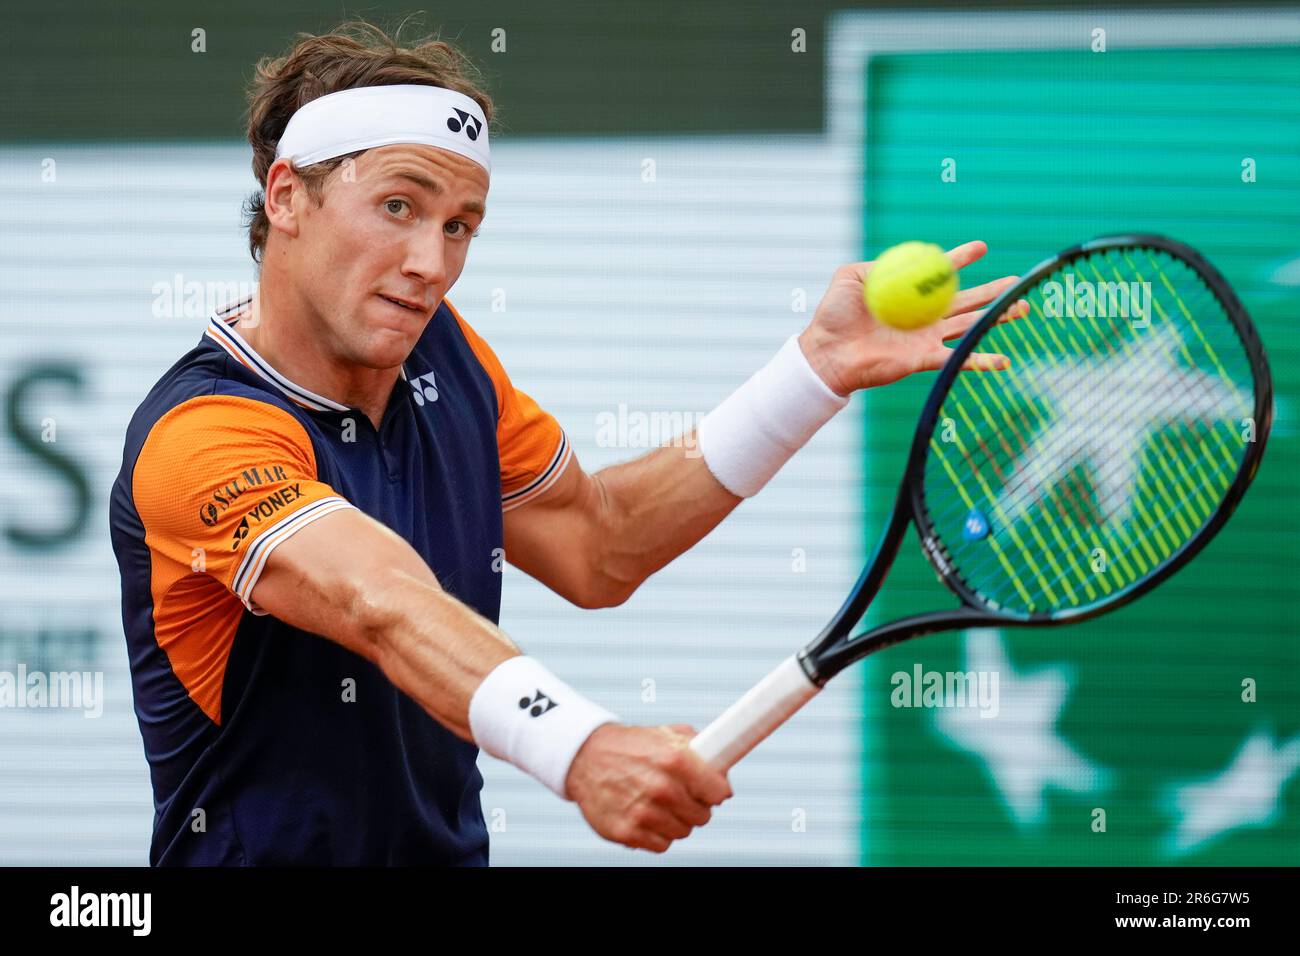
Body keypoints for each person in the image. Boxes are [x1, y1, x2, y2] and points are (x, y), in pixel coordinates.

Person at [108, 22, 1020, 865]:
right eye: (398, 205)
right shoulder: (203, 433)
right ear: (286, 195)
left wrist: (812, 372)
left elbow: (599, 543)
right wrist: (578, 746)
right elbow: (380, 599)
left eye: (460, 225)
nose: (433, 262)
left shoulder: (447, 360)